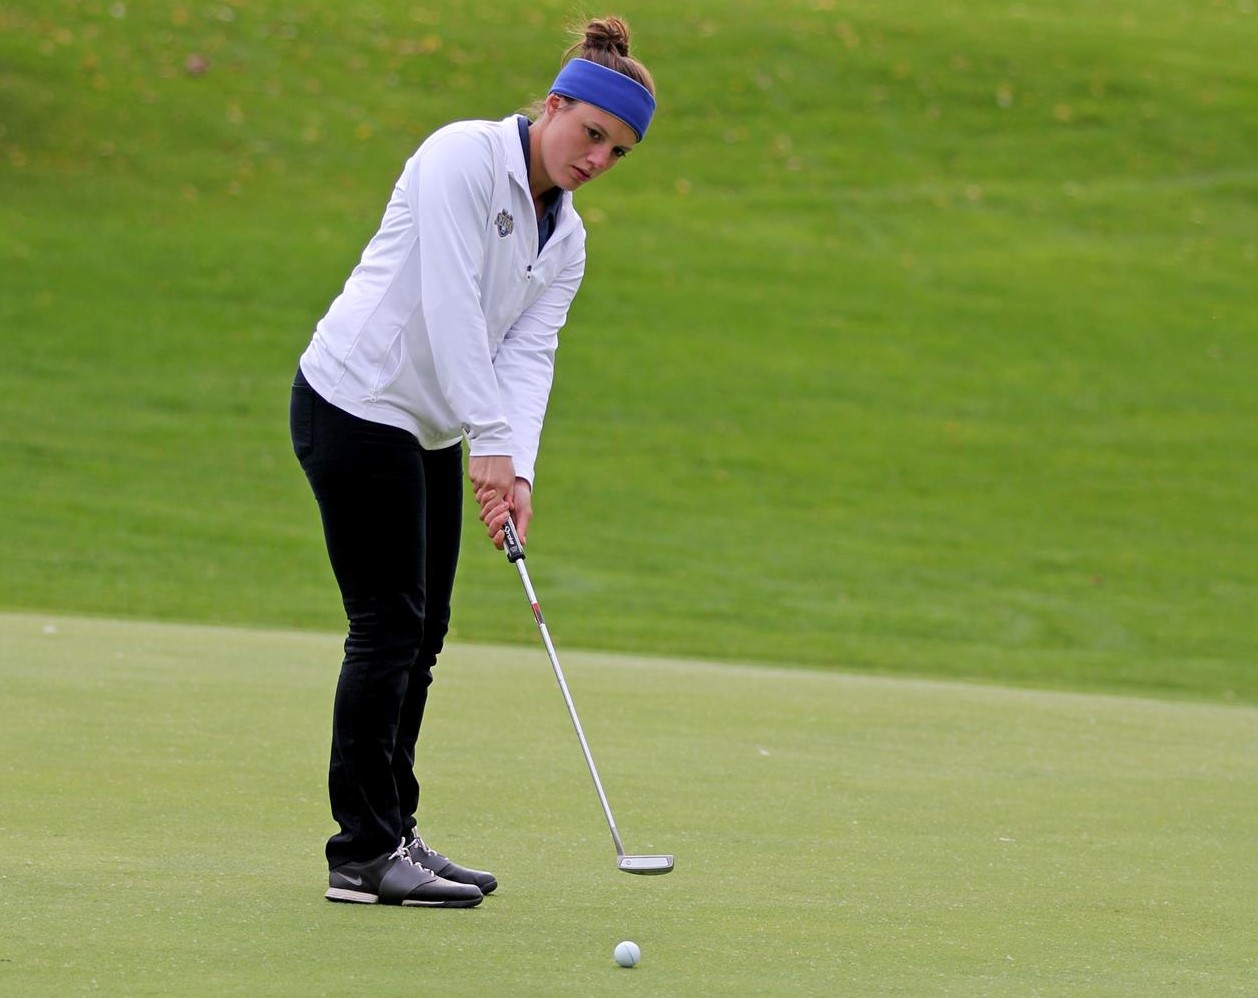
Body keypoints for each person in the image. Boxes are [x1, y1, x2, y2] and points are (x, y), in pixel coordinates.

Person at [288, 16, 657, 908]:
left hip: (433, 425)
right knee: (387, 624)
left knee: (427, 630)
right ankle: (361, 851)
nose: (598, 160)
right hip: (357, 401)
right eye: (592, 135)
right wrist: (486, 446)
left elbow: (529, 354)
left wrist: (514, 466)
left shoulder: (563, 238)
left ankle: (395, 830)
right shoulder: (460, 157)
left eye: (618, 153)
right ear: (557, 104)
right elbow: (450, 306)